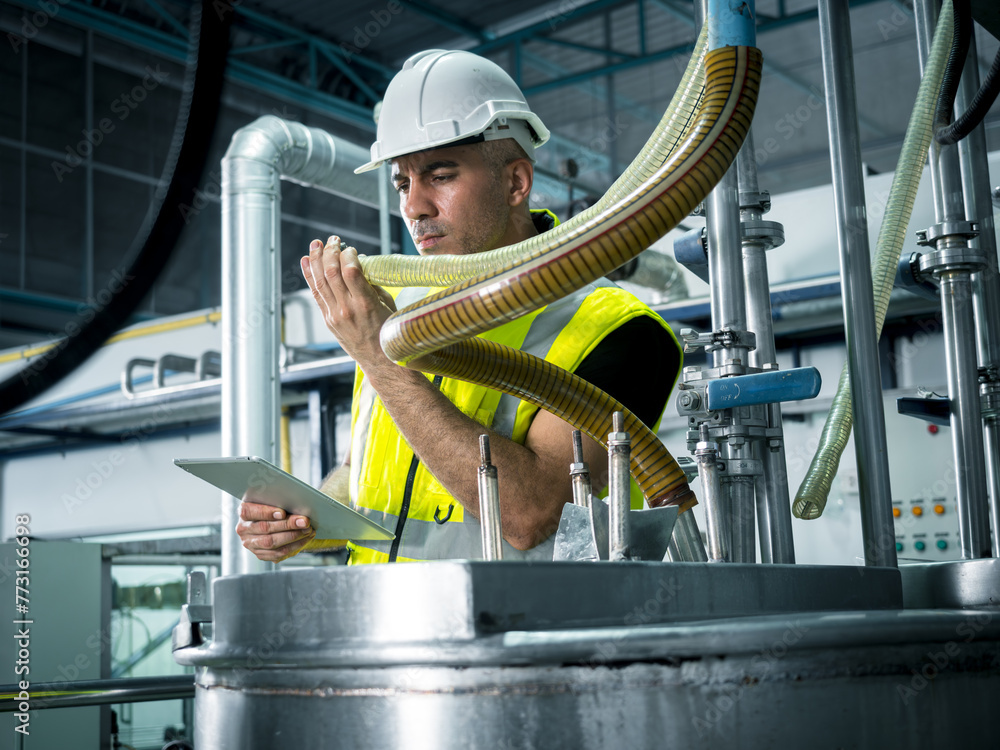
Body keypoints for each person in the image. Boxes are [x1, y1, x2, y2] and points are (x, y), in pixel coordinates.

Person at [237, 49, 682, 564]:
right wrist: (304, 519)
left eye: (440, 175)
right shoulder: (395, 316)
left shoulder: (618, 330)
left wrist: (377, 355)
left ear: (515, 182)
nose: (413, 207)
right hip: (384, 632)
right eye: (403, 182)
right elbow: (367, 473)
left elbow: (530, 515)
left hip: (523, 638)